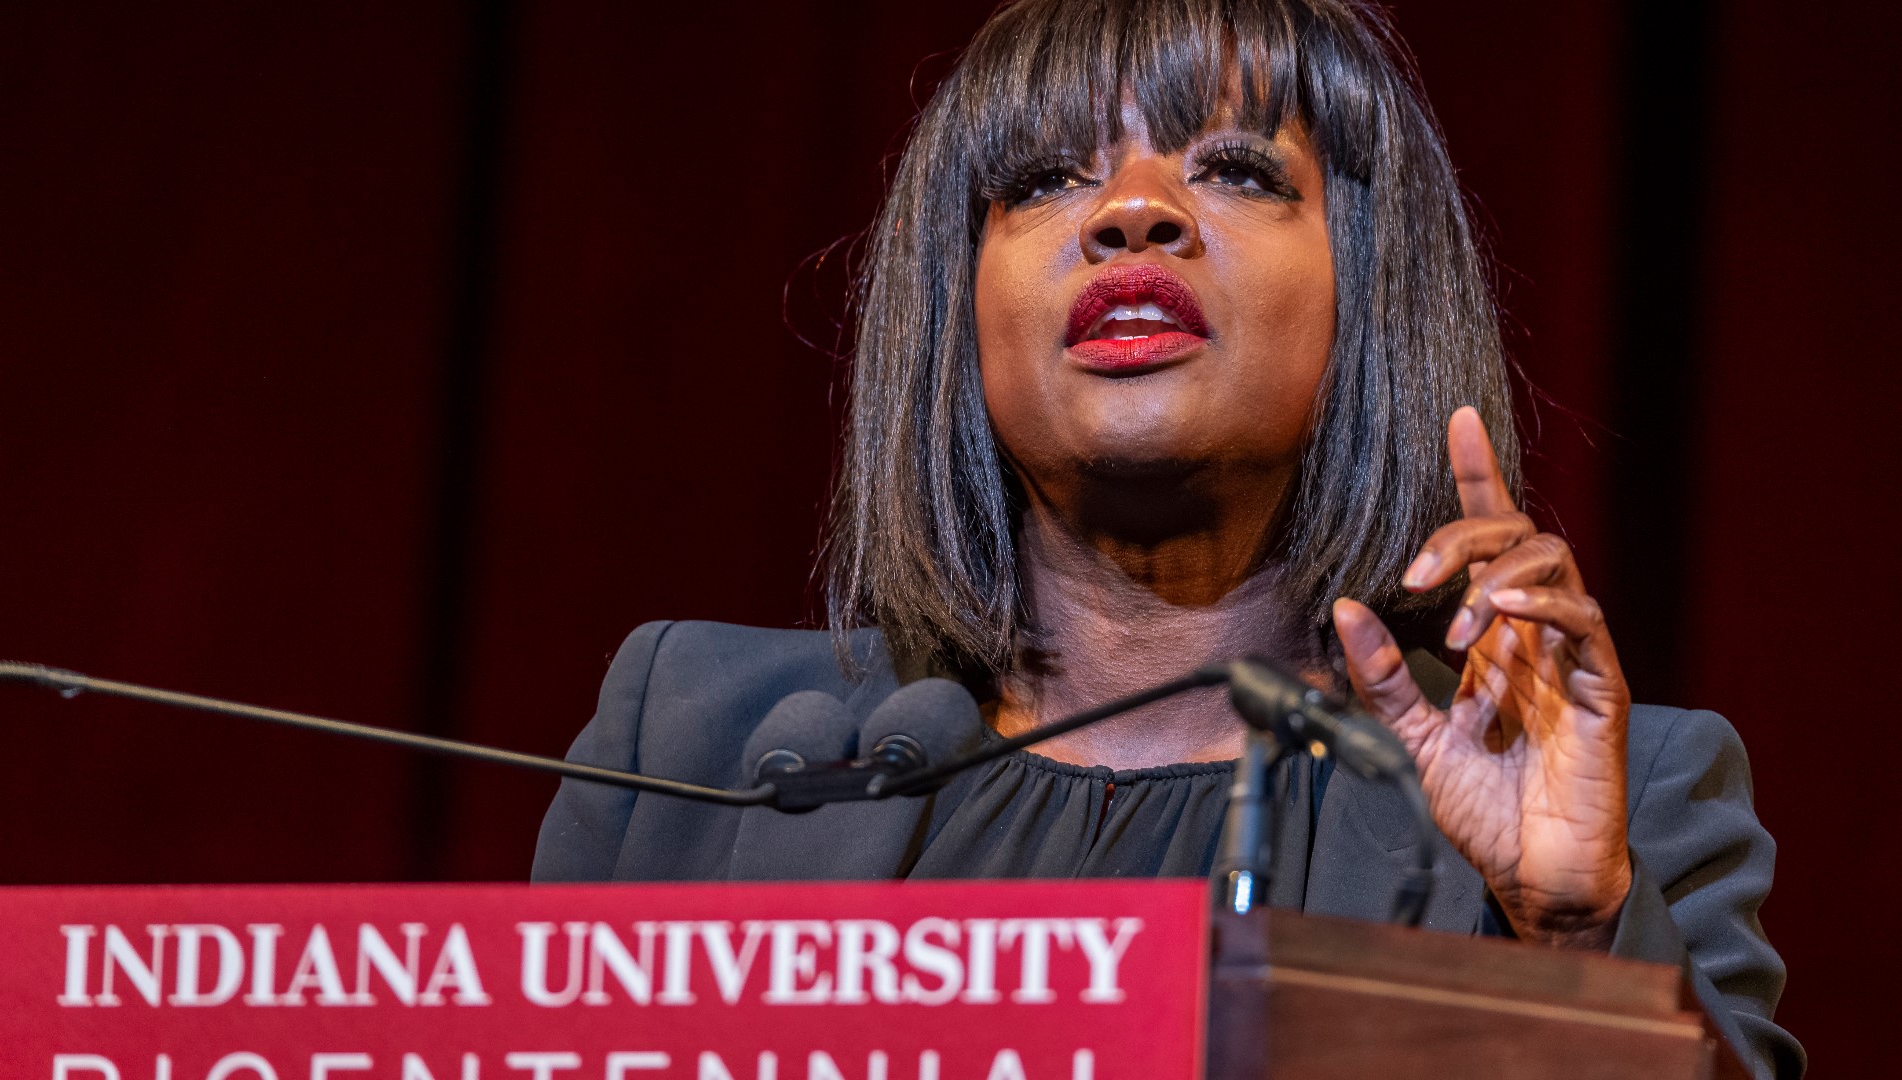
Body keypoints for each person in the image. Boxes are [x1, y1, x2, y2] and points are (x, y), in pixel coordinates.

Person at [532, 0, 1801, 1075]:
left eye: (1238, 170)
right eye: (1043, 180)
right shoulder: (689, 742)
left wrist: (1571, 942)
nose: (1132, 213)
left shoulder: (1619, 806)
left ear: (1371, 289)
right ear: (957, 306)